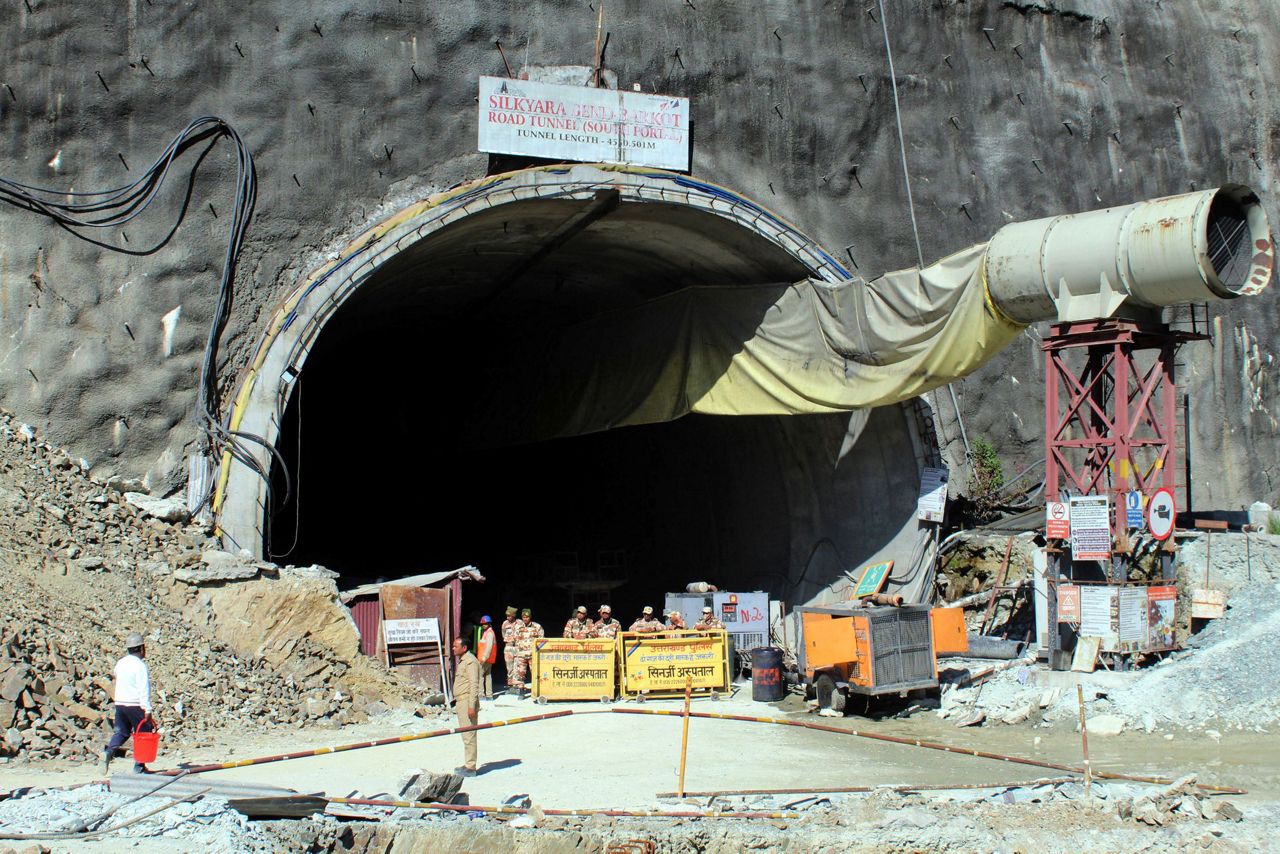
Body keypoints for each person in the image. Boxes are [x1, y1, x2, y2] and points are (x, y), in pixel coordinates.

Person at [103, 632, 154, 774]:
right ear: (141, 648)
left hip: (120, 704)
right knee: (144, 733)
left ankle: (109, 752)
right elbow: (144, 688)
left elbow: (117, 676)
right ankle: (139, 766)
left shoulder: (121, 663)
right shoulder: (140, 666)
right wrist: (147, 709)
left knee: (122, 732)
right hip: (135, 704)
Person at [451, 637, 481, 777]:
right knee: (465, 734)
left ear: (464, 648)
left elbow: (474, 684)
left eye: (456, 646)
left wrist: (471, 706)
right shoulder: (464, 660)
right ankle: (468, 762)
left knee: (469, 735)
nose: (453, 648)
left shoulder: (470, 662)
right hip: (461, 701)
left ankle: (470, 766)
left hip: (466, 702)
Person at [512, 608, 544, 698]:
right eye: (523, 617)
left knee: (535, 673)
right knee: (520, 674)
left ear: (530, 617)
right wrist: (518, 650)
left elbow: (542, 640)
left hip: (532, 655)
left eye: (527, 617)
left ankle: (536, 691)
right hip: (521, 655)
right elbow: (515, 639)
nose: (525, 619)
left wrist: (536, 650)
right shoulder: (518, 627)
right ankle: (521, 691)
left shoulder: (537, 627)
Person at [477, 616, 497, 700]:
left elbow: (489, 647)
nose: (483, 625)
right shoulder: (488, 632)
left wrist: (484, 657)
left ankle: (481, 694)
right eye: (482, 624)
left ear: (489, 624)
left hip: (485, 659)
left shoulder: (489, 634)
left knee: (480, 675)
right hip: (488, 659)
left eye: (485, 624)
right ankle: (489, 695)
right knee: (488, 676)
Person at [501, 606, 520, 695]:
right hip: (508, 647)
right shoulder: (505, 623)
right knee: (509, 668)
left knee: (517, 667)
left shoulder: (520, 623)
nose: (508, 617)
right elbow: (503, 634)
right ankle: (510, 686)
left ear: (513, 615)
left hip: (517, 647)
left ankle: (516, 686)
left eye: (509, 616)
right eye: (507, 616)